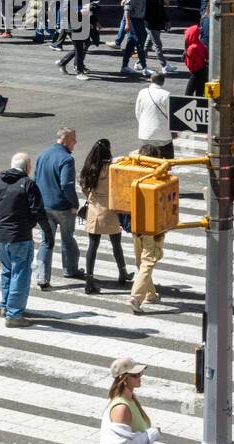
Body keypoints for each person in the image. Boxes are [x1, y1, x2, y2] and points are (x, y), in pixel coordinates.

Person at [0, 152, 51, 326]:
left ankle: (5, 306)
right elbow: (38, 212)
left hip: (2, 236)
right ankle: (14, 315)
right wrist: (48, 234)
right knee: (20, 274)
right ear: (28, 167)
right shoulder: (28, 184)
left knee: (7, 271)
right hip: (20, 237)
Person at [78, 138, 131, 295]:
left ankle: (89, 280)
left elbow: (84, 187)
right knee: (116, 244)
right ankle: (122, 273)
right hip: (111, 210)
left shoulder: (89, 168)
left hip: (95, 210)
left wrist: (92, 196)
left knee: (92, 247)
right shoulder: (112, 169)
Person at [34, 127, 83, 289]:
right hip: (63, 208)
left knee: (46, 241)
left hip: (44, 207)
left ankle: (42, 277)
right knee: (67, 238)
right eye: (73, 139)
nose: (75, 142)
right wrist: (74, 204)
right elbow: (67, 185)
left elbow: (35, 179)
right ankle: (70, 269)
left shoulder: (43, 155)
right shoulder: (66, 159)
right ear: (65, 140)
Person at [135, 71, 174, 159]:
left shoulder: (142, 92)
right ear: (163, 82)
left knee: (147, 160)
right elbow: (171, 115)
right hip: (163, 134)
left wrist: (143, 124)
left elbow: (138, 112)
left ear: (151, 80)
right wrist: (173, 131)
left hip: (145, 133)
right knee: (167, 161)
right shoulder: (166, 94)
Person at [119, 0, 151, 77]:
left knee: (131, 43)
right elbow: (127, 9)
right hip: (134, 21)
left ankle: (124, 66)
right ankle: (144, 67)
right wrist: (127, 23)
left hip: (139, 20)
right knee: (140, 43)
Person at [183, 23, 207, 97]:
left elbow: (189, 64)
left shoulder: (191, 48)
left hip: (195, 73)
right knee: (199, 93)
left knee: (188, 93)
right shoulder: (201, 44)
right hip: (203, 70)